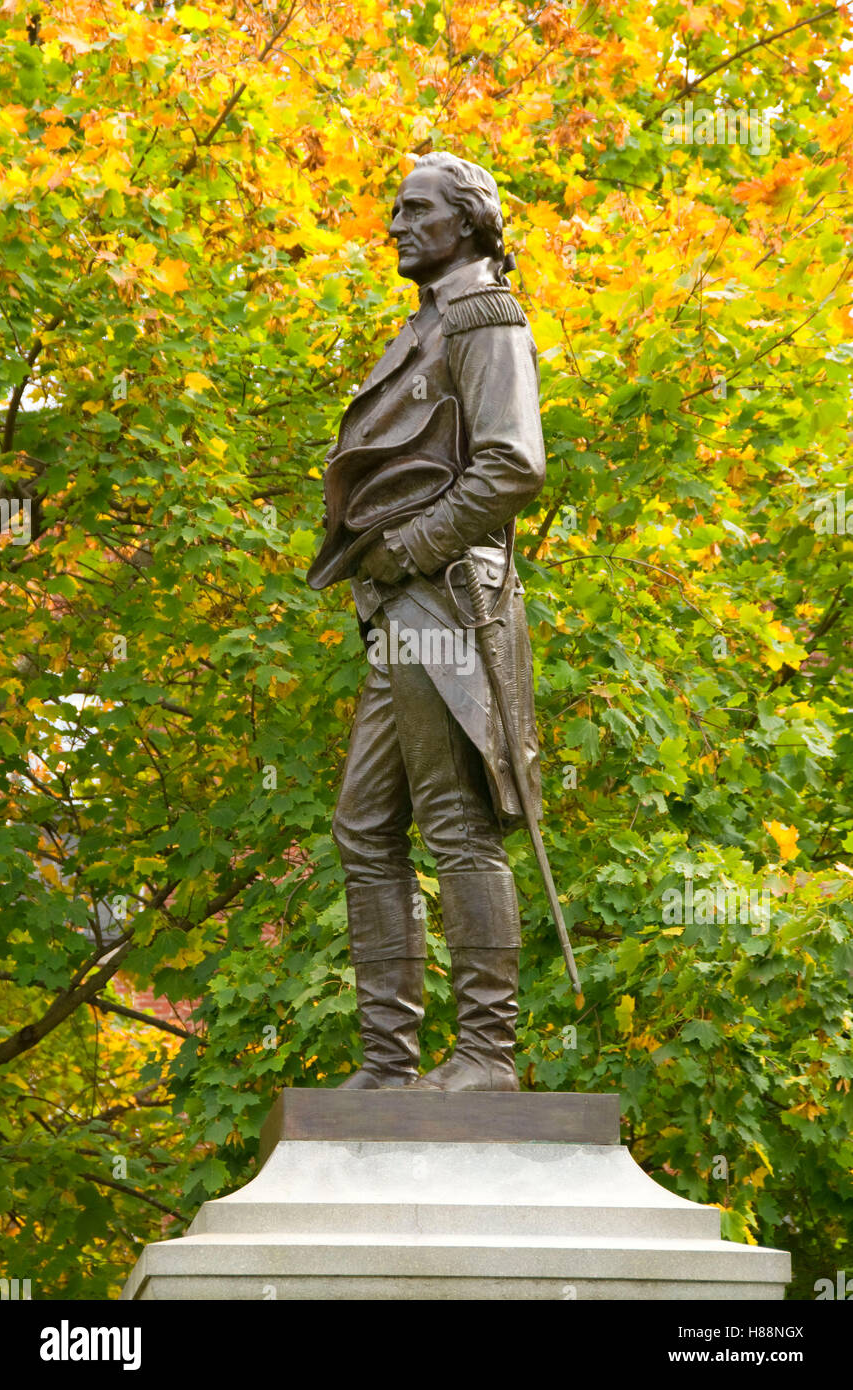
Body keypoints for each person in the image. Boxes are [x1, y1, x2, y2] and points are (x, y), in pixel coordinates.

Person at [307, 151, 546, 1091]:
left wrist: (408, 548)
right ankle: (386, 1065)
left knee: (454, 823)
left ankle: (486, 1056)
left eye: (415, 210)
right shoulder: (431, 323)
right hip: (405, 606)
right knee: (363, 829)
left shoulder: (485, 319)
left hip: (444, 597)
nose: (395, 225)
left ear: (468, 223)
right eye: (394, 209)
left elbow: (510, 465)